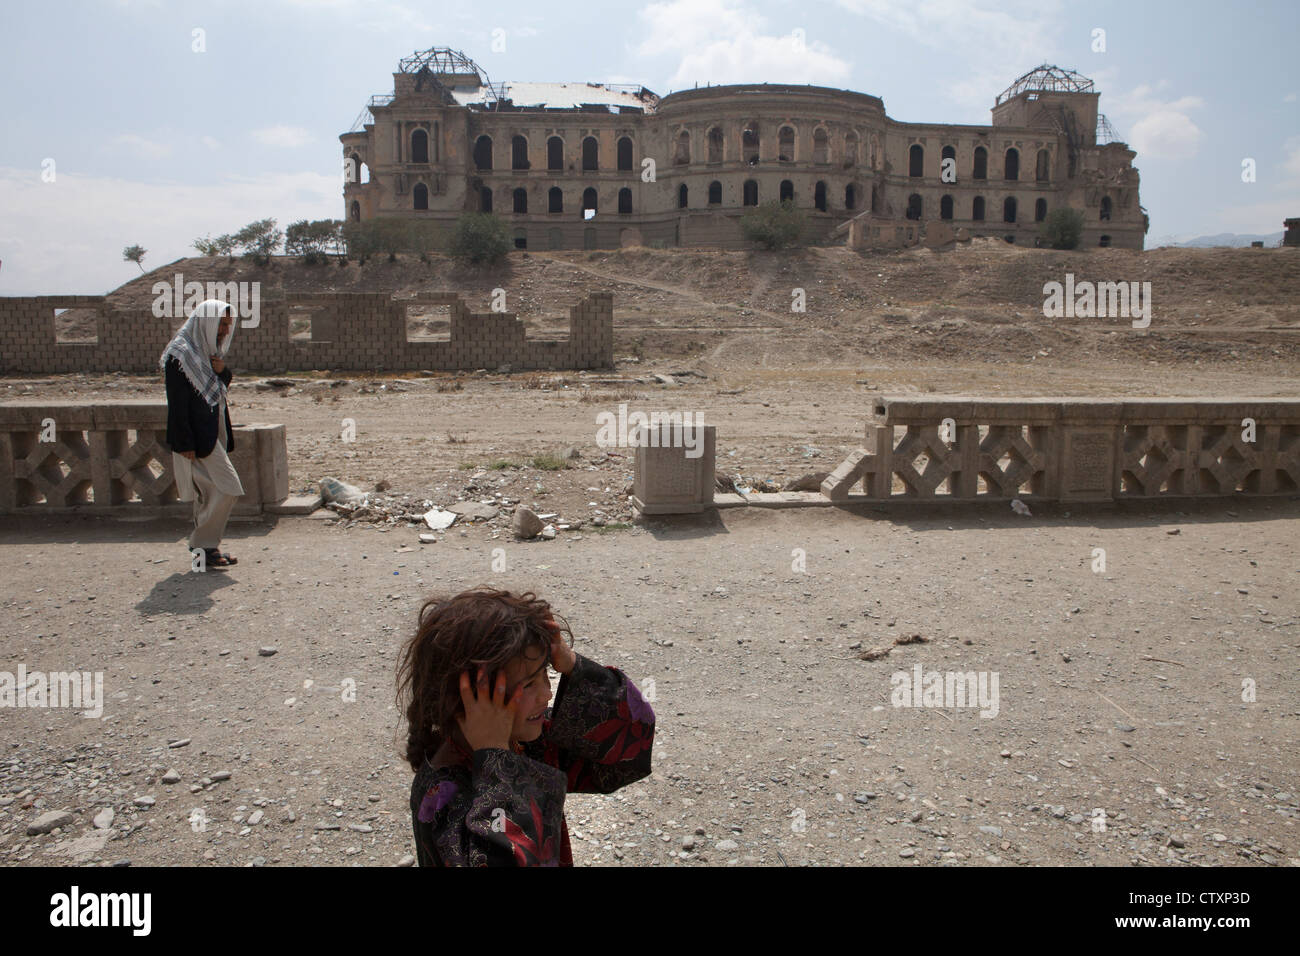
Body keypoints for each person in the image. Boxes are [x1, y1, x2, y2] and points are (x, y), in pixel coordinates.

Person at [398, 587, 655, 866]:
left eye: (546, 673)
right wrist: (496, 761)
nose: (547, 694)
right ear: (469, 697)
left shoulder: (524, 742)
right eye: (529, 684)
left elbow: (625, 759)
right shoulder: (443, 795)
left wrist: (572, 665)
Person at [161, 299, 243, 569]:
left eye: (227, 325)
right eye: (221, 324)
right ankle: (201, 544)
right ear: (206, 322)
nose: (224, 331)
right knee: (228, 486)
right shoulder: (181, 355)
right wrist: (184, 442)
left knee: (208, 493)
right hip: (196, 438)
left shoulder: (207, 352)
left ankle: (205, 553)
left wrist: (224, 371)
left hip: (212, 430)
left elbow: (218, 386)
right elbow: (177, 403)